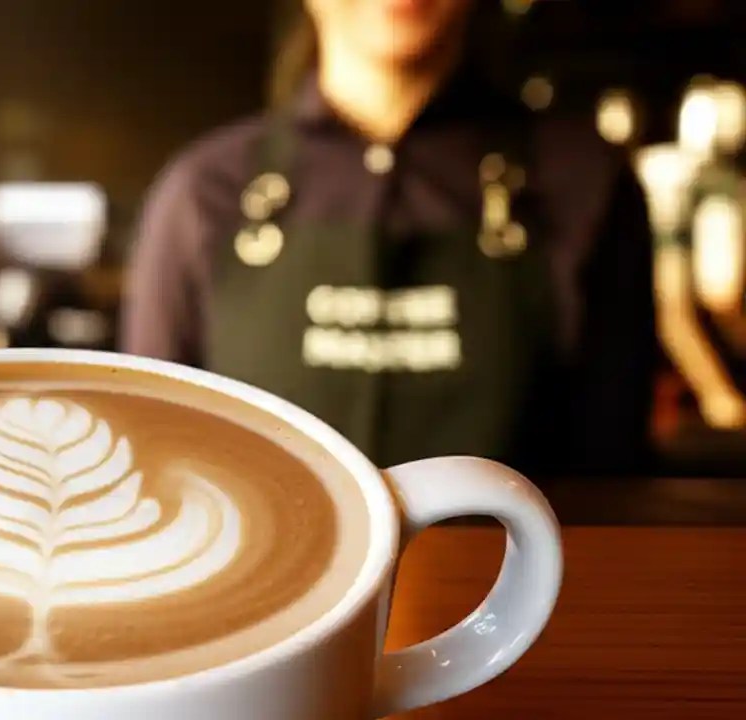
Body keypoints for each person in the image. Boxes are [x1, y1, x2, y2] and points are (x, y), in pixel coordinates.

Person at [122, 0, 657, 474]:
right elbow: (153, 456)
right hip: (269, 588)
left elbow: (612, 476)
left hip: (519, 587)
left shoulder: (585, 182)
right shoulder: (203, 191)